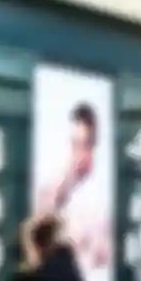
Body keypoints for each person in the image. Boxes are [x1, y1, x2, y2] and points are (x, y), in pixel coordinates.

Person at [36, 103, 112, 271]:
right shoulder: (50, 187)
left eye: (86, 146)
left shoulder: (98, 201)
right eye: (75, 146)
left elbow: (103, 257)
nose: (80, 156)